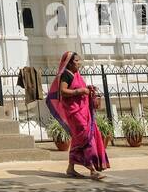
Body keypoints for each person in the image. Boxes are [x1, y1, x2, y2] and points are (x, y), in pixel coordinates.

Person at [47, 51, 109, 180]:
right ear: (69, 63)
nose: (79, 63)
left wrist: (88, 88)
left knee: (78, 139)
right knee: (86, 137)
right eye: (76, 61)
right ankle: (92, 170)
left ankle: (71, 168)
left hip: (83, 110)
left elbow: (80, 87)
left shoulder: (77, 75)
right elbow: (63, 91)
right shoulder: (66, 75)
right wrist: (80, 91)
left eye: (79, 60)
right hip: (74, 112)